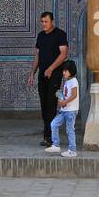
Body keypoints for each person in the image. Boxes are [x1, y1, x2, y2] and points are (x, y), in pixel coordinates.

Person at [27, 11, 69, 147]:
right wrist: (32, 72)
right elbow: (37, 55)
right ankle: (47, 136)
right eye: (42, 22)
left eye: (46, 21)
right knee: (44, 105)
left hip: (54, 75)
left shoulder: (60, 34)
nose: (43, 24)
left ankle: (51, 137)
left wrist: (51, 68)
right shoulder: (40, 36)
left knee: (51, 104)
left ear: (52, 22)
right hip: (42, 76)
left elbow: (63, 54)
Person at [46, 60, 80, 157]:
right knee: (53, 124)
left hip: (71, 111)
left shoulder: (74, 81)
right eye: (63, 70)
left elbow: (74, 95)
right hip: (64, 110)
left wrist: (65, 102)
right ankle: (55, 145)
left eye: (66, 71)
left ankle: (72, 150)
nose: (63, 73)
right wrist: (61, 101)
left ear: (71, 71)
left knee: (70, 130)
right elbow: (66, 95)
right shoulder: (66, 82)